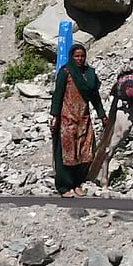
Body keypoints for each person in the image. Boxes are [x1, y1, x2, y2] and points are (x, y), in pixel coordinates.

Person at [51, 43, 104, 196]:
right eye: (76, 56)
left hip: (84, 119)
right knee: (67, 153)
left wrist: (102, 115)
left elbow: (95, 97)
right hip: (67, 119)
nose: (79, 59)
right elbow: (58, 95)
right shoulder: (65, 72)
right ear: (71, 57)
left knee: (84, 153)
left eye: (82, 56)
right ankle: (64, 186)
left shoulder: (89, 74)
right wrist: (54, 115)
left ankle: (77, 183)